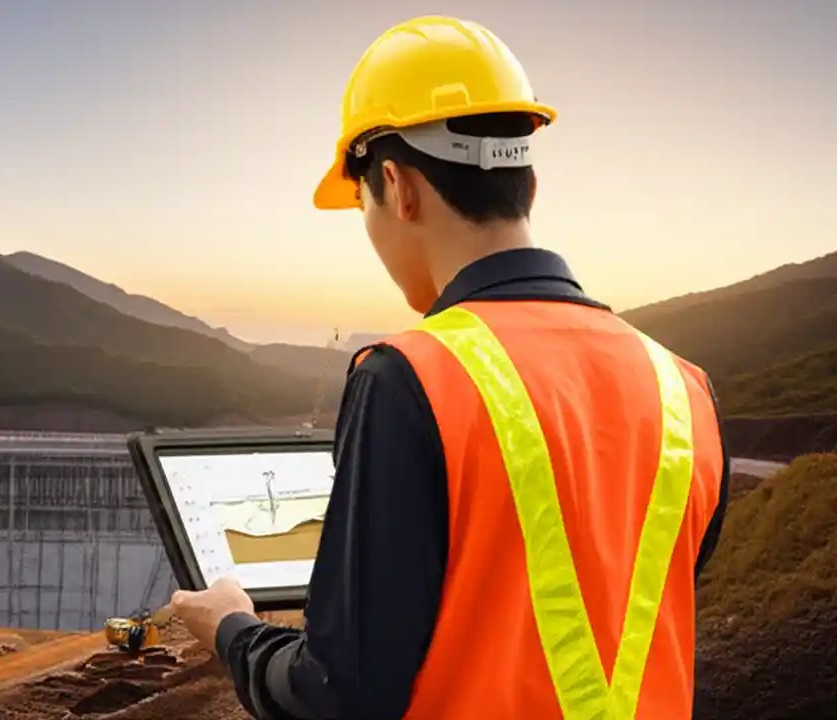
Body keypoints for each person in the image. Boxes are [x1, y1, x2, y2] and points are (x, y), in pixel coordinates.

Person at [169, 14, 730, 719]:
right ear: (527, 182)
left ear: (399, 187)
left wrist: (231, 629)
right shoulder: (685, 388)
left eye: (363, 203)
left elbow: (336, 695)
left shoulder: (408, 378)